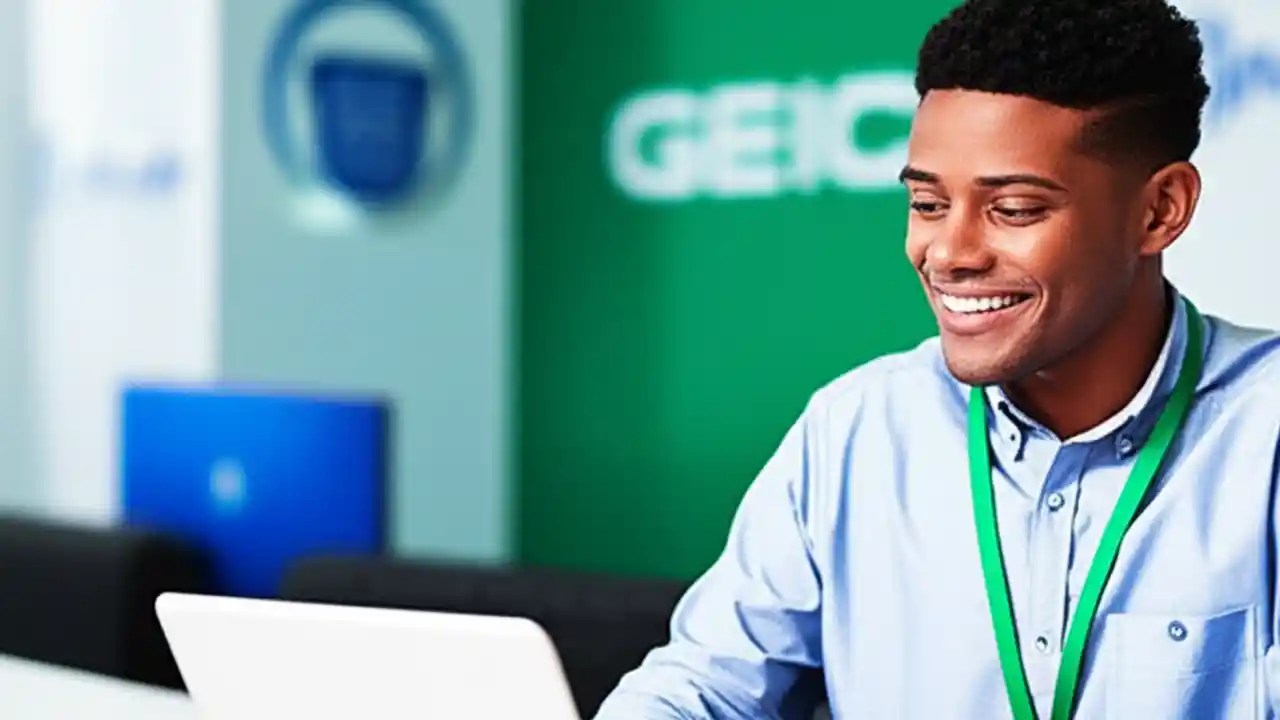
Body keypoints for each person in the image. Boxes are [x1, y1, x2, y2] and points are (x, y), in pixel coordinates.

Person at [593, 0, 1280, 718]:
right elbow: (704, 687)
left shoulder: (1265, 434)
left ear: (1160, 211)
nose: (949, 253)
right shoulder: (857, 429)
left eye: (1013, 209)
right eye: (927, 204)